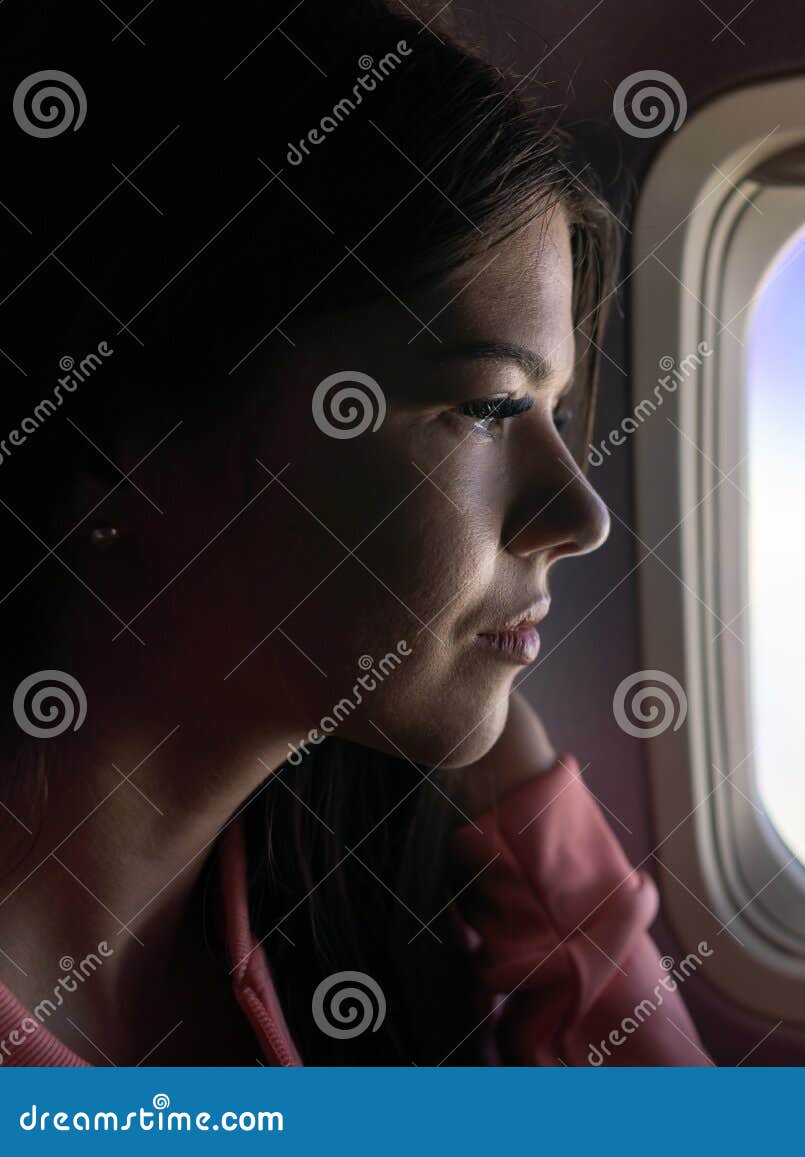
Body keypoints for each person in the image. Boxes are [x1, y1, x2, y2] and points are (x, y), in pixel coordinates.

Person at [0, 0, 707, 1065]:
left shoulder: (354, 917)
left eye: (555, 416)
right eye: (486, 406)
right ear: (126, 446)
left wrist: (488, 713)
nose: (582, 517)